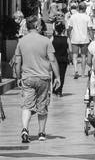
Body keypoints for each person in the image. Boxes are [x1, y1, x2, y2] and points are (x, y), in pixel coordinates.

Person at [13, 15, 60, 143]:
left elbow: (17, 62)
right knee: (42, 105)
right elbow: (52, 60)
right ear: (37, 26)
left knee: (27, 106)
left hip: (27, 78)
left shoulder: (21, 42)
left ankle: (25, 129)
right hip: (43, 78)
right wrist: (58, 77)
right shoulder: (46, 41)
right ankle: (41, 133)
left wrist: (18, 77)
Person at [67, 1, 91, 78]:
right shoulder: (87, 17)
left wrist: (68, 36)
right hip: (85, 39)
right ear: (85, 9)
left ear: (78, 8)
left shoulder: (73, 16)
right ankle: (83, 74)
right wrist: (92, 37)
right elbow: (90, 29)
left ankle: (75, 70)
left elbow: (69, 28)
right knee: (84, 56)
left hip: (74, 38)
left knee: (74, 55)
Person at [51, 20, 70, 95]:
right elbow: (70, 50)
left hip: (55, 59)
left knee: (54, 74)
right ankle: (60, 90)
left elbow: (48, 47)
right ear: (64, 29)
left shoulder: (53, 38)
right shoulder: (66, 39)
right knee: (62, 74)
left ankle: (54, 89)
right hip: (63, 59)